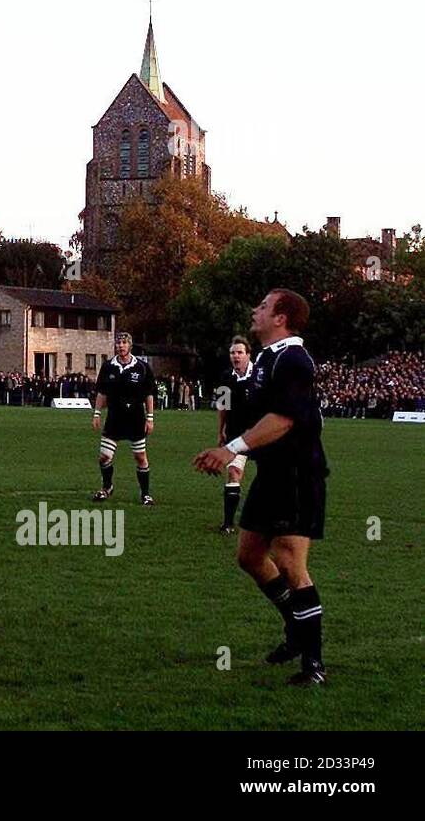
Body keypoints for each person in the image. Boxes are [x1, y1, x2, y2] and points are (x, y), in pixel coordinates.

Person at [194, 289, 330, 687]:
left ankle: (314, 665)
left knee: (290, 563)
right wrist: (225, 443)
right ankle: (295, 629)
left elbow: (283, 420)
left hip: (297, 475)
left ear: (281, 317)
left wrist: (231, 449)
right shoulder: (266, 360)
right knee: (250, 555)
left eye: (264, 307)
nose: (255, 310)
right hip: (272, 474)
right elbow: (256, 418)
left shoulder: (293, 359)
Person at [92, 332, 156, 506]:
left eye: (124, 343)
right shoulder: (108, 366)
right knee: (104, 457)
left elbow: (149, 394)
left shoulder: (142, 367)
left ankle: (145, 494)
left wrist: (150, 418)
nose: (120, 346)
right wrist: (96, 414)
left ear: (130, 345)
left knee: (140, 457)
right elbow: (102, 392)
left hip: (136, 418)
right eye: (118, 343)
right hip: (114, 418)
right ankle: (107, 487)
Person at [216, 335, 254, 534]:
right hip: (236, 436)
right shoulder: (226, 378)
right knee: (233, 473)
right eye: (233, 353)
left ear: (248, 354)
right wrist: (220, 430)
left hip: (260, 436)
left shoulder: (260, 376)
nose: (236, 356)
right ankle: (228, 523)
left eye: (240, 352)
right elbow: (223, 406)